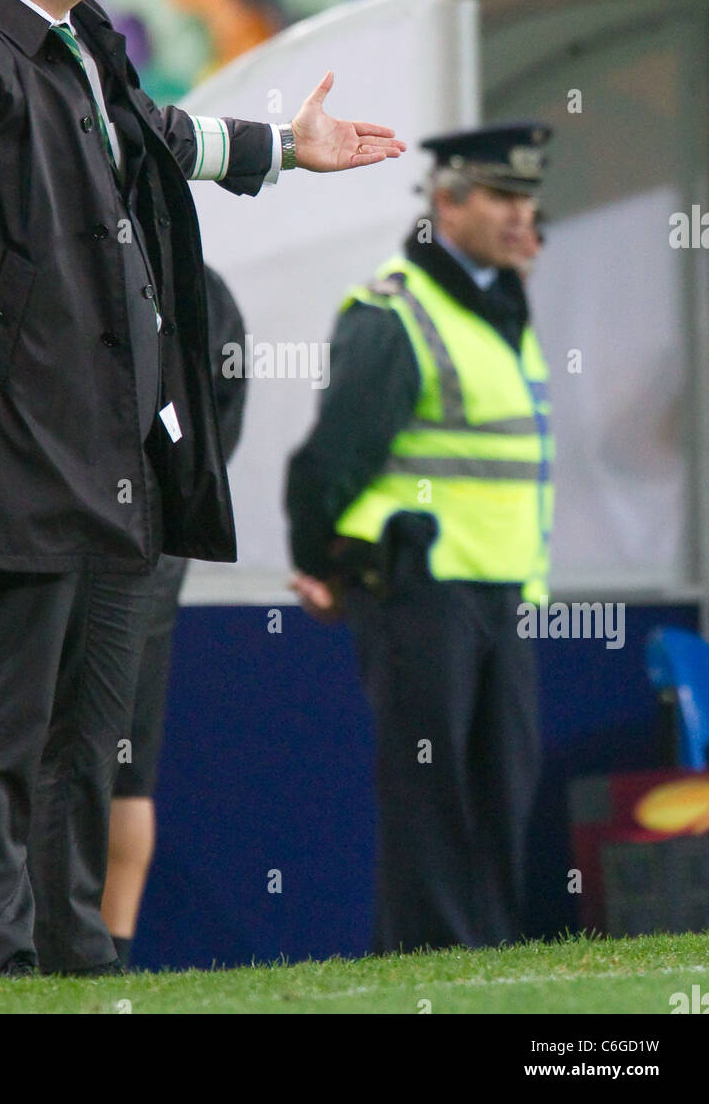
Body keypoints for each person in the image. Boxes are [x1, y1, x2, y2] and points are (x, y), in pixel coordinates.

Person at [0, 0, 405, 980]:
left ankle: (75, 956)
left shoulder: (80, 40)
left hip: (114, 449)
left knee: (91, 737)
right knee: (0, 729)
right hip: (14, 447)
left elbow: (155, 138)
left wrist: (285, 147)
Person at [285, 122, 555, 954]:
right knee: (430, 790)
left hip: (501, 590)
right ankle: (432, 963)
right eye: (504, 197)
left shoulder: (500, 307)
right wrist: (318, 563)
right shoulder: (397, 309)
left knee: (502, 786)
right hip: (417, 588)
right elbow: (329, 459)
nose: (523, 218)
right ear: (447, 201)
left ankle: (487, 957)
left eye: (528, 199)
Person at [102, 266, 247, 962]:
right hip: (148, 544)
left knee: (78, 757)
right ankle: (97, 953)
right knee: (121, 765)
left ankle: (75, 952)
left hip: (91, 546)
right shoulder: (201, 288)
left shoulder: (184, 288)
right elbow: (217, 435)